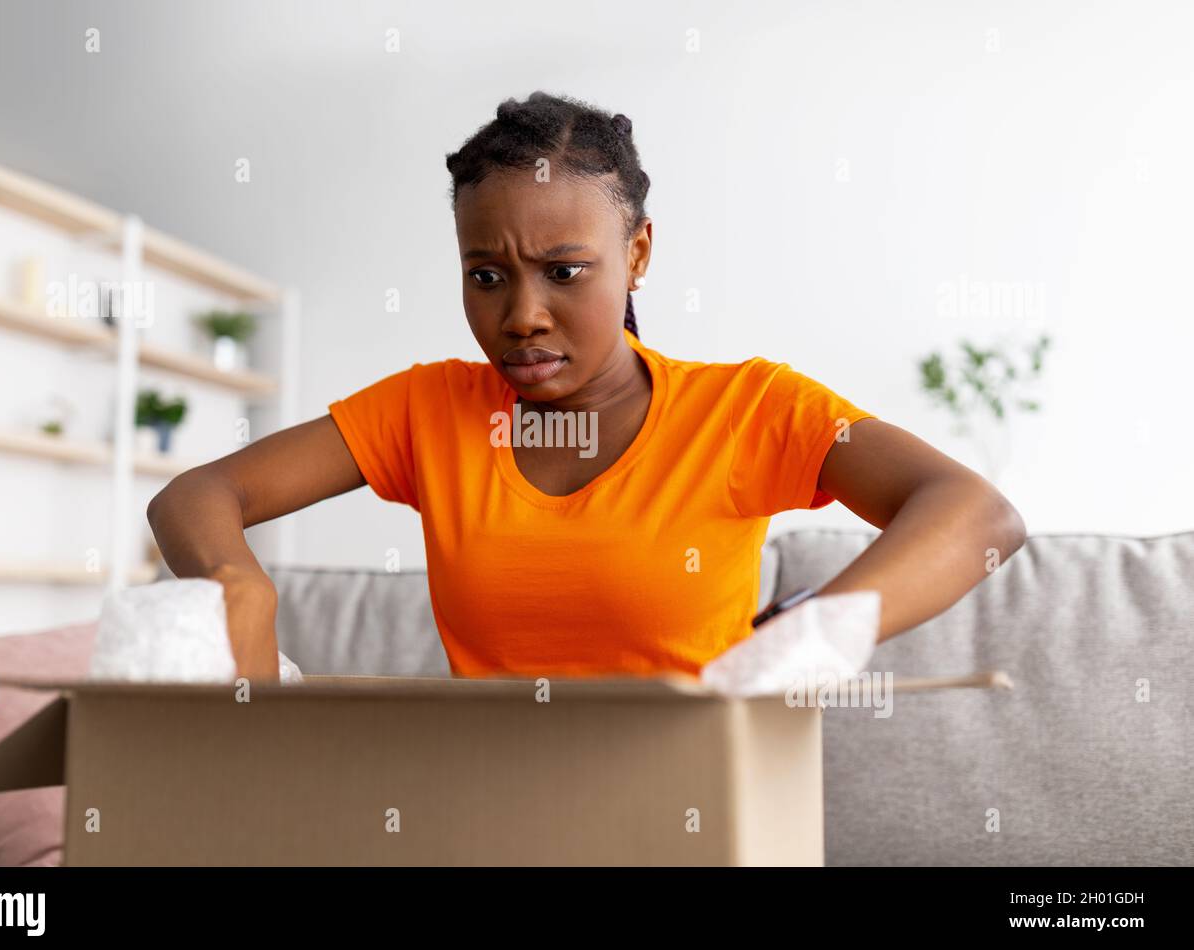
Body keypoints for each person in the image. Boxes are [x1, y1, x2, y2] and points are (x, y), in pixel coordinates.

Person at [147, 91, 1026, 682]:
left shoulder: (747, 410)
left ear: (637, 254)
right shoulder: (429, 412)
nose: (521, 315)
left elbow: (976, 514)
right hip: (492, 822)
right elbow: (196, 494)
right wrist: (239, 586)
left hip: (693, 813)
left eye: (564, 272)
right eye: (486, 276)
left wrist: (812, 634)